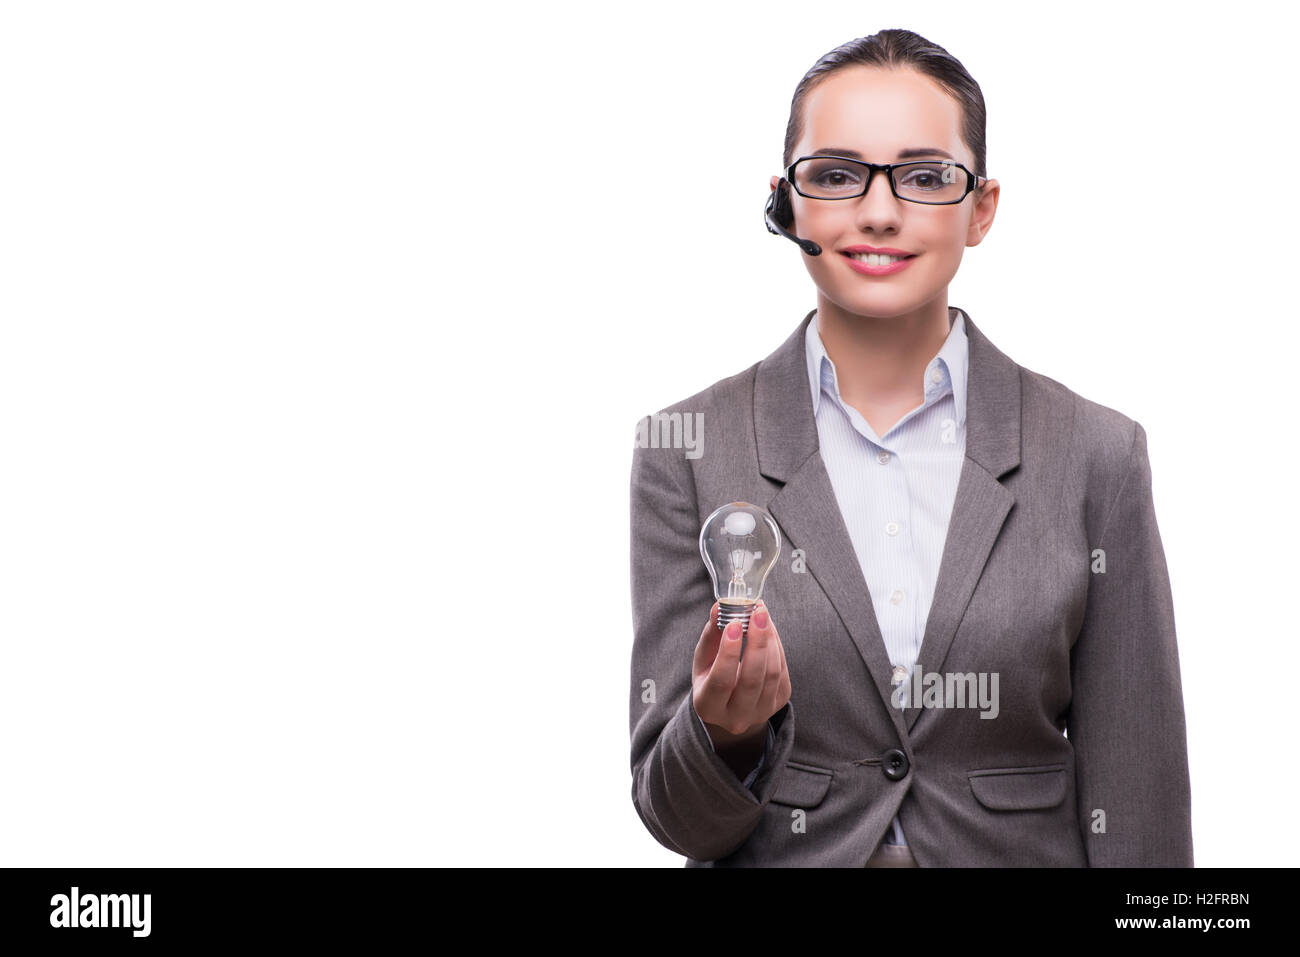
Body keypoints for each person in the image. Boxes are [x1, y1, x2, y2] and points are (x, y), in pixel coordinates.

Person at [628, 29, 1192, 867]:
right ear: (787, 204)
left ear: (983, 208)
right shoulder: (687, 449)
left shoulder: (1097, 454)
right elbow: (680, 819)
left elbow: (1139, 794)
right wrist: (726, 733)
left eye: (926, 177)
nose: (880, 210)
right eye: (837, 174)